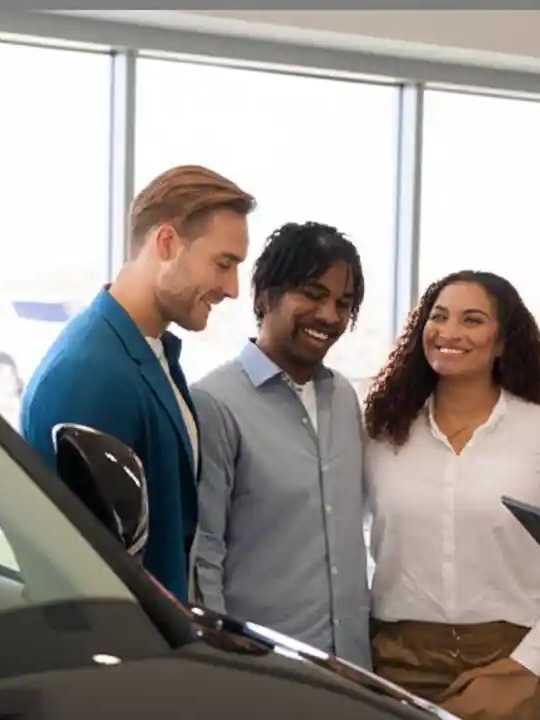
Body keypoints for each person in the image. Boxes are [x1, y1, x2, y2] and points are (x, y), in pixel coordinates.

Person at [363, 270, 540, 720]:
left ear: (503, 341)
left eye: (472, 320)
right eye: (439, 316)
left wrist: (529, 665)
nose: (450, 332)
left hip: (512, 659)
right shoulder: (380, 430)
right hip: (396, 662)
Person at [20, 164, 256, 601]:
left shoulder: (151, 351)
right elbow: (87, 577)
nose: (232, 288)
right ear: (166, 243)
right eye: (224, 264)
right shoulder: (90, 374)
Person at [190, 221, 371, 668]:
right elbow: (204, 551)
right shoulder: (215, 402)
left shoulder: (344, 397)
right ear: (263, 296)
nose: (329, 315)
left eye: (343, 303)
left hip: (351, 667)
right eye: (312, 293)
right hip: (265, 672)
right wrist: (216, 660)